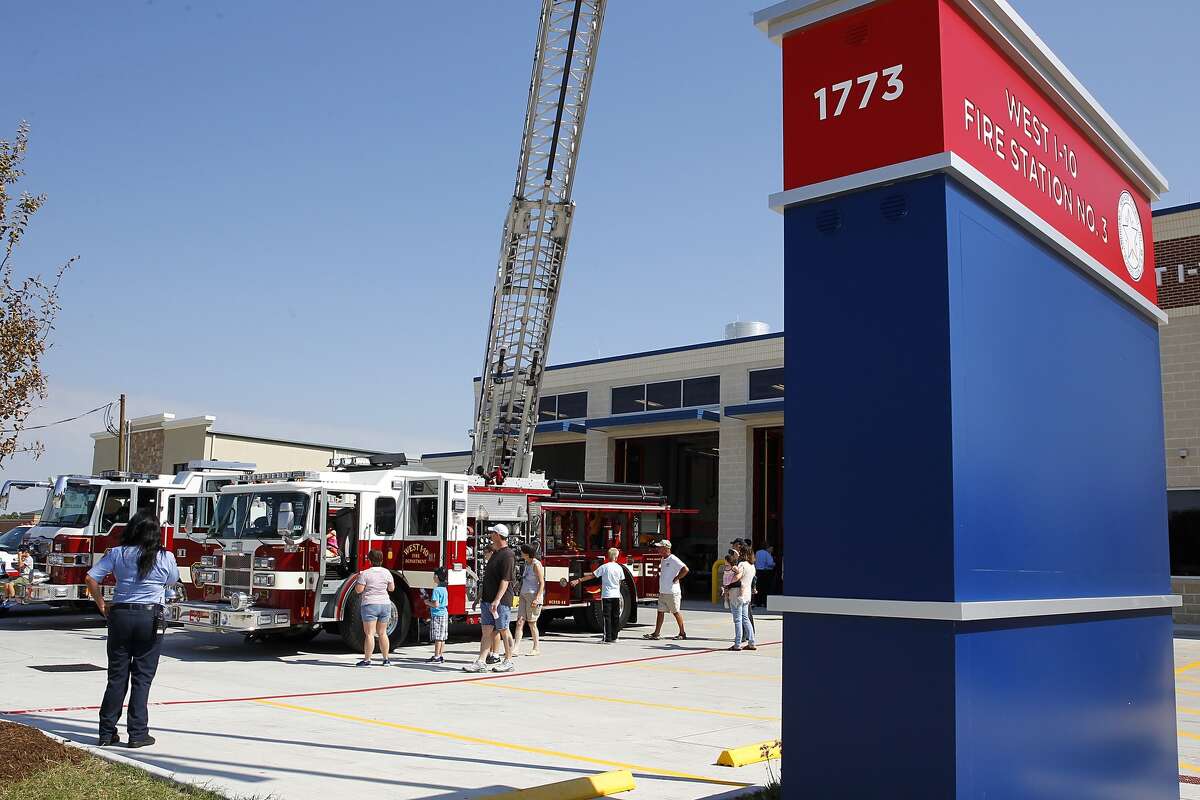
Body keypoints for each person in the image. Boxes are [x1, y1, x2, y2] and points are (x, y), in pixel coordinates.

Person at [84, 511, 179, 748]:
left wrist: (102, 605)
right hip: (150, 616)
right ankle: (137, 733)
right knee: (142, 677)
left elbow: (90, 579)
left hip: (120, 614)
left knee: (116, 676)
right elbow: (172, 580)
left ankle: (106, 732)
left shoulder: (117, 553)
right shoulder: (165, 557)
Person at [464, 524, 516, 673]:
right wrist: (481, 598)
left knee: (503, 629)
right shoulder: (496, 553)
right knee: (487, 631)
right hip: (488, 600)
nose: (490, 535)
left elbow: (505, 580)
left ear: (498, 535)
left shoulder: (508, 555)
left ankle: (508, 660)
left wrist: (497, 599)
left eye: (492, 533)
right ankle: (481, 661)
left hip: (500, 601)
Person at [571, 548, 624, 643]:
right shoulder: (619, 567)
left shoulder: (604, 567)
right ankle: (615, 637)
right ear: (616, 556)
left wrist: (578, 580)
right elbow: (620, 581)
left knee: (606, 617)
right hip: (616, 595)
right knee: (615, 616)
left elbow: (592, 575)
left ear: (608, 556)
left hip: (607, 595)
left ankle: (607, 638)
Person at [355, 549, 395, 667]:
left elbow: (359, 590)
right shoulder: (387, 572)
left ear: (369, 560)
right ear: (381, 560)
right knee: (383, 633)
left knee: (369, 634)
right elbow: (391, 588)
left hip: (370, 604)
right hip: (385, 604)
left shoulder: (365, 573)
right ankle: (386, 659)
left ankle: (367, 660)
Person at [642, 540, 688, 640]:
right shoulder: (663, 559)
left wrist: (677, 578)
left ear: (667, 548)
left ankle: (682, 633)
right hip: (663, 591)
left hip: (672, 592)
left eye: (660, 547)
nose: (658, 549)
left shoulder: (673, 559)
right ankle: (656, 633)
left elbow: (685, 569)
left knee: (676, 612)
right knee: (660, 612)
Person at [513, 544, 544, 656]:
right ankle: (515, 648)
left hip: (532, 596)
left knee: (532, 623)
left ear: (527, 553)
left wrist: (537, 598)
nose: (520, 553)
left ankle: (536, 647)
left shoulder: (536, 564)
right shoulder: (527, 563)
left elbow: (542, 583)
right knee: (520, 622)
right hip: (524, 594)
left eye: (522, 552)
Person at [728, 546, 757, 652]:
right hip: (747, 595)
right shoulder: (752, 566)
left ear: (743, 553)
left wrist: (727, 581)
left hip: (737, 594)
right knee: (745, 619)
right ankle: (752, 642)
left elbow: (737, 577)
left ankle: (737, 644)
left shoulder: (742, 564)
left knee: (737, 620)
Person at [426, 566, 449, 664]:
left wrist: (427, 602)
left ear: (437, 577)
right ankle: (440, 655)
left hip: (437, 615)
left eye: (434, 575)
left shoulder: (436, 590)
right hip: (444, 613)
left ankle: (436, 656)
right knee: (442, 636)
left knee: (437, 637)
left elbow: (436, 604)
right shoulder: (444, 589)